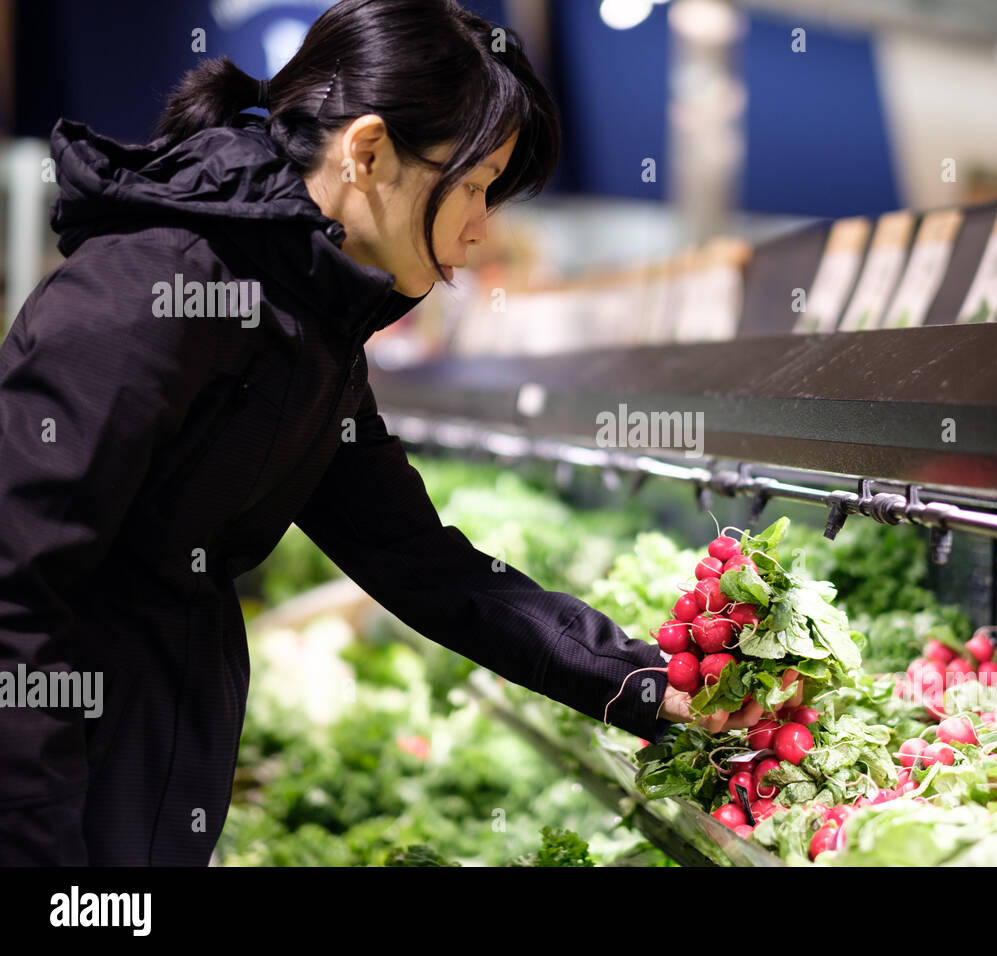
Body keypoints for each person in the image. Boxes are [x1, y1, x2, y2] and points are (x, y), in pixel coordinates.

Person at [0, 0, 763, 866]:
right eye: (473, 185)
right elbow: (15, 588)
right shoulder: (153, 287)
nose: (482, 227)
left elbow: (416, 559)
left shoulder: (313, 327)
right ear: (367, 152)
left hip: (149, 772)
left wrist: (638, 682)